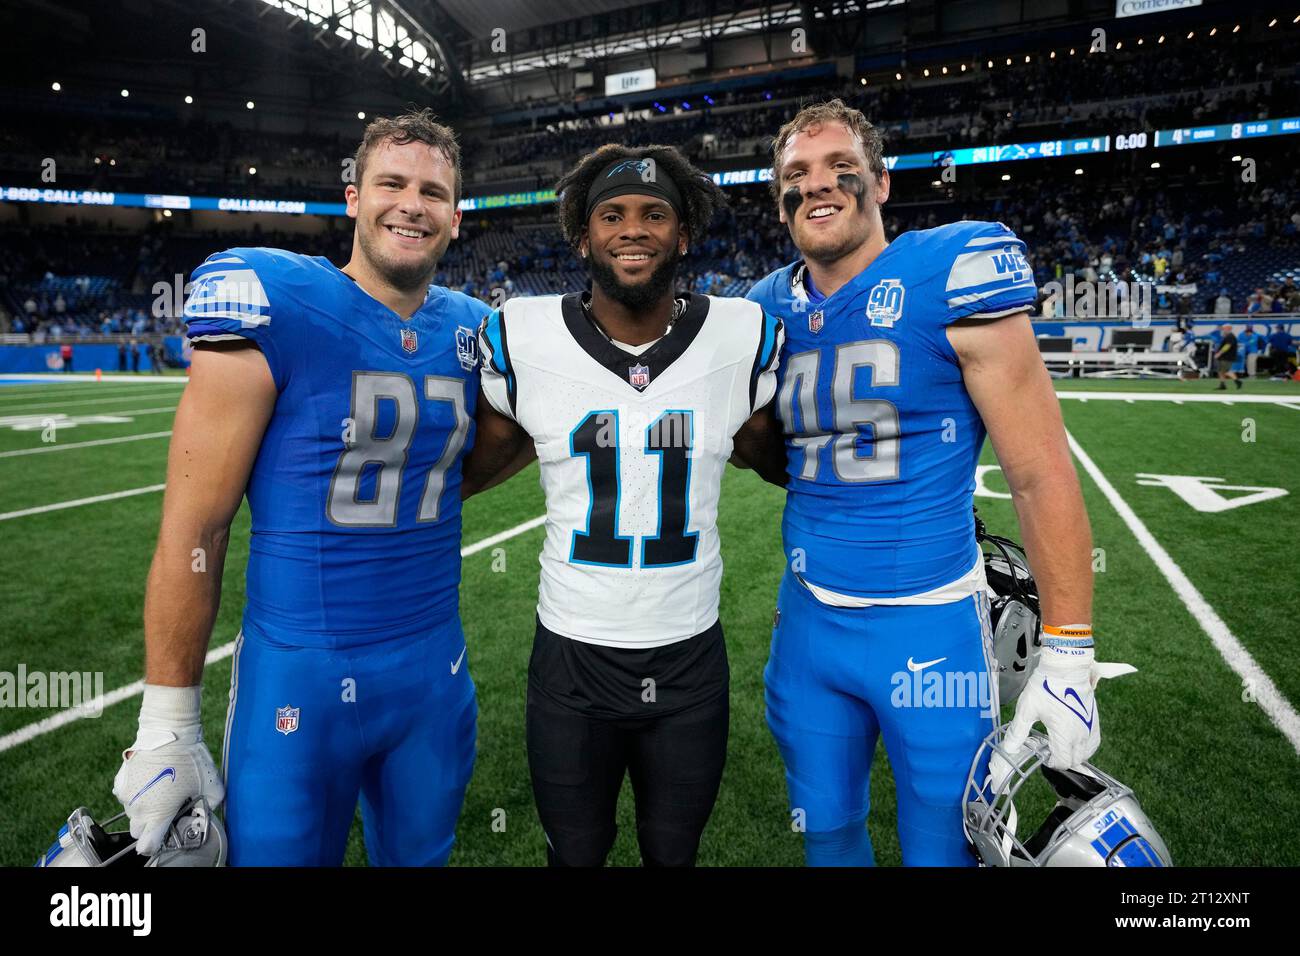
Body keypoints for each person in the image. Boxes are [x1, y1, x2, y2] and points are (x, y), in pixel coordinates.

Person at [746, 100, 1130, 866]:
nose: (816, 185)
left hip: (927, 630)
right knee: (823, 834)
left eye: (838, 167)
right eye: (796, 174)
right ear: (779, 198)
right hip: (808, 627)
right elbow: (760, 447)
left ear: (881, 182)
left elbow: (1039, 470)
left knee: (945, 847)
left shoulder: (949, 269)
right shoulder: (763, 309)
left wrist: (1067, 650)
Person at [111, 109, 489, 866]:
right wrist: (167, 721)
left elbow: (483, 457)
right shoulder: (274, 295)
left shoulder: (478, 330)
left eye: (432, 191)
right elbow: (196, 528)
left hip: (434, 676)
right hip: (299, 681)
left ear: (455, 214)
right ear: (352, 197)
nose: (412, 204)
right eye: (392, 183)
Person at [461, 144, 786, 867]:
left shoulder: (742, 334)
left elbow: (781, 463)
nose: (632, 229)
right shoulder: (522, 335)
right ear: (583, 234)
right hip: (571, 656)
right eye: (611, 215)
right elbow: (465, 475)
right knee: (574, 855)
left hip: (690, 653)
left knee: (674, 854)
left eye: (653, 214)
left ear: (684, 233)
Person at [1215, 323, 1241, 390]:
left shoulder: (1230, 336)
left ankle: (1237, 381)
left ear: (1228, 328)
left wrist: (1219, 353)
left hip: (1227, 356)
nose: (1223, 330)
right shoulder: (1227, 336)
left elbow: (1227, 346)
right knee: (1220, 371)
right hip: (1223, 356)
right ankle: (1222, 385)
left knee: (1226, 370)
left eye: (1224, 329)